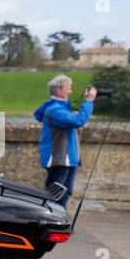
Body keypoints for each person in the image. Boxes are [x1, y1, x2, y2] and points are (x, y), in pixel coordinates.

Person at [34, 75, 95, 205]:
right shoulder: (54, 110)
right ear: (59, 90)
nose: (70, 91)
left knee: (65, 192)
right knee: (55, 194)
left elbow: (72, 120)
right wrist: (89, 101)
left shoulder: (59, 108)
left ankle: (58, 221)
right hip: (60, 158)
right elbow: (79, 121)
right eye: (68, 88)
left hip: (67, 158)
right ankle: (50, 221)